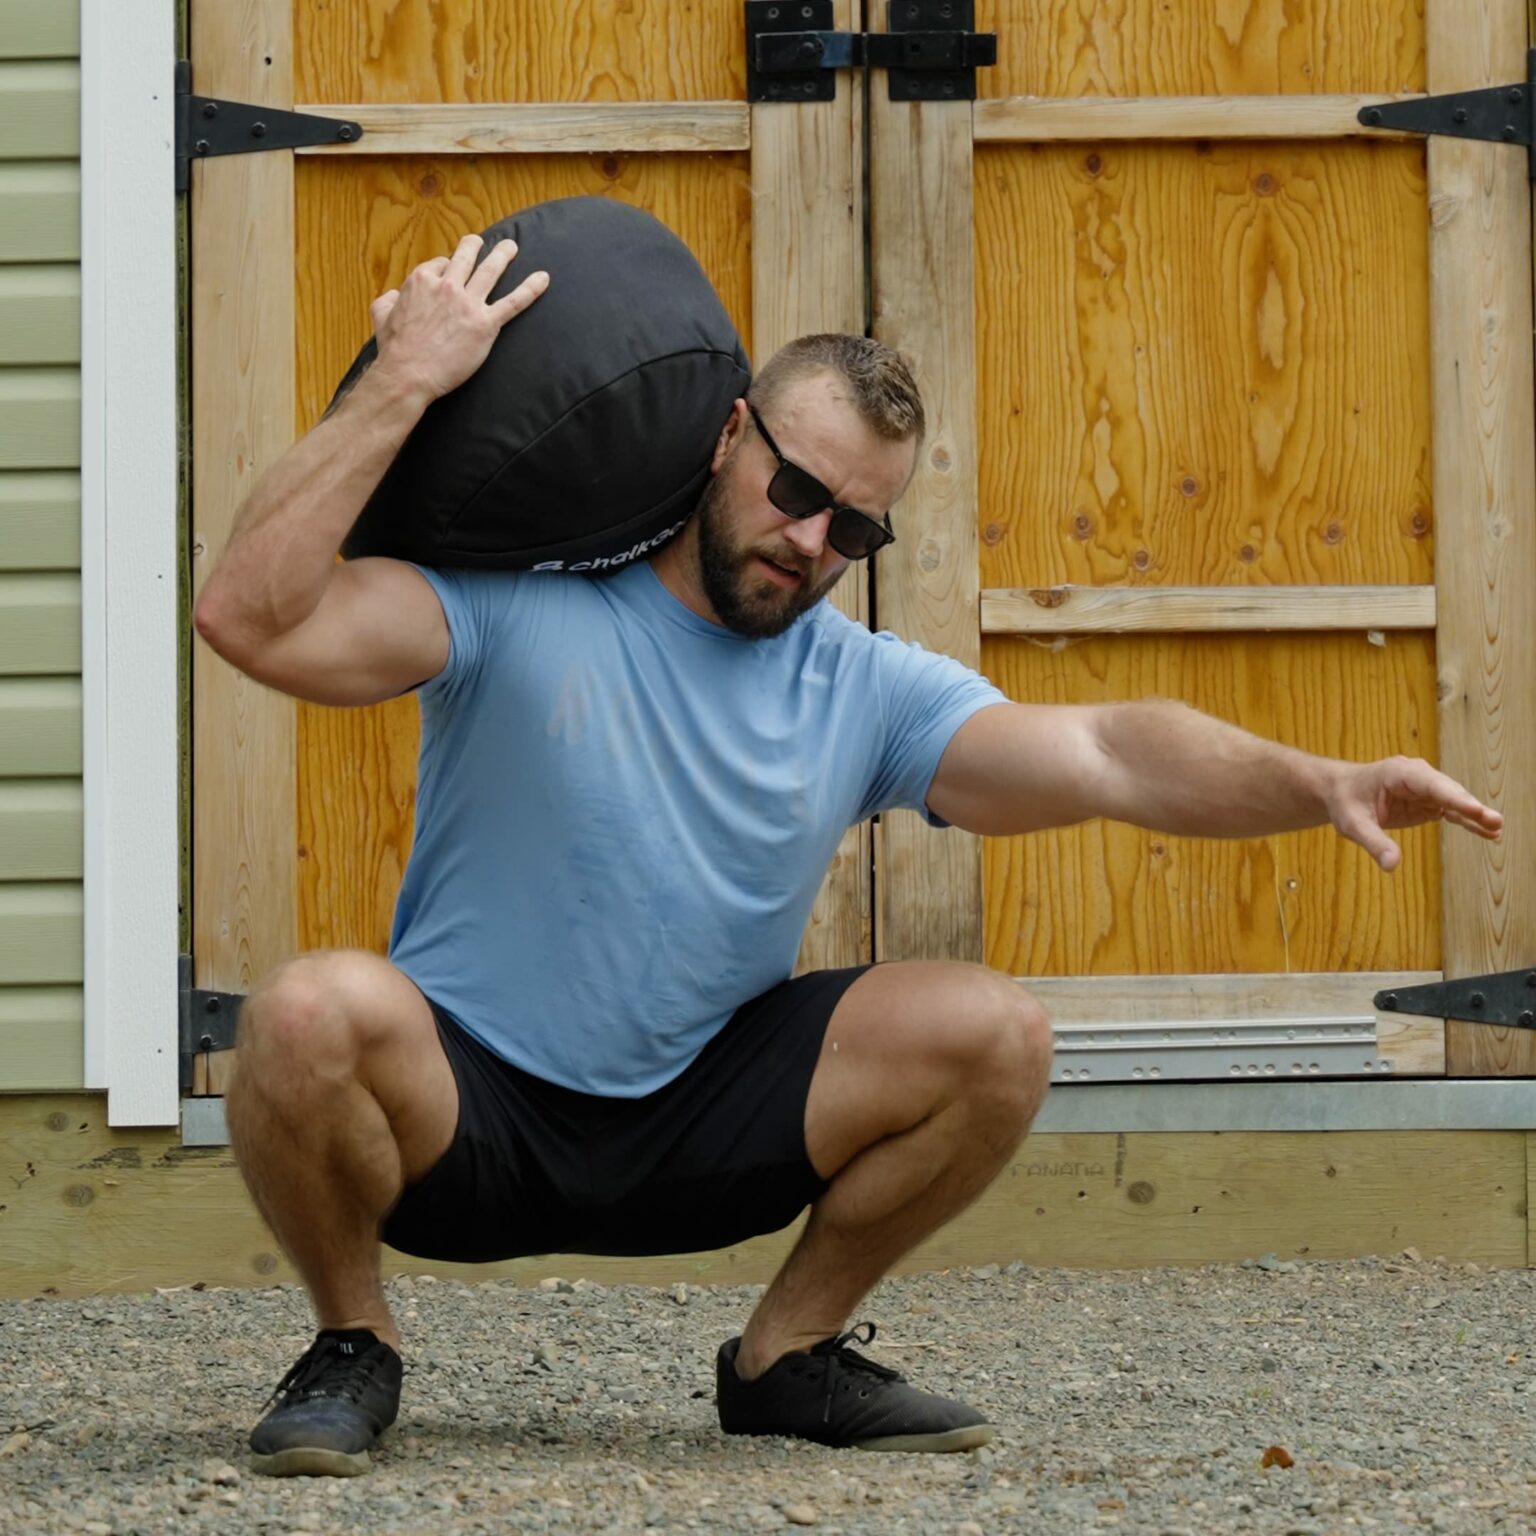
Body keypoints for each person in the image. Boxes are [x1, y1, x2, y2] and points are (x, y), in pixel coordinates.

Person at [194, 232, 1503, 1479]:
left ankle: (785, 1359)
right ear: (727, 437)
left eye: (856, 530)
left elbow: (1113, 752)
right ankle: (353, 1341)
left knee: (996, 1030)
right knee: (306, 1012)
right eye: (800, 491)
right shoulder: (514, 605)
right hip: (464, 1124)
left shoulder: (860, 688)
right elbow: (245, 615)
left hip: (702, 1124)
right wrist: (404, 382)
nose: (814, 544)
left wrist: (1316, 781)